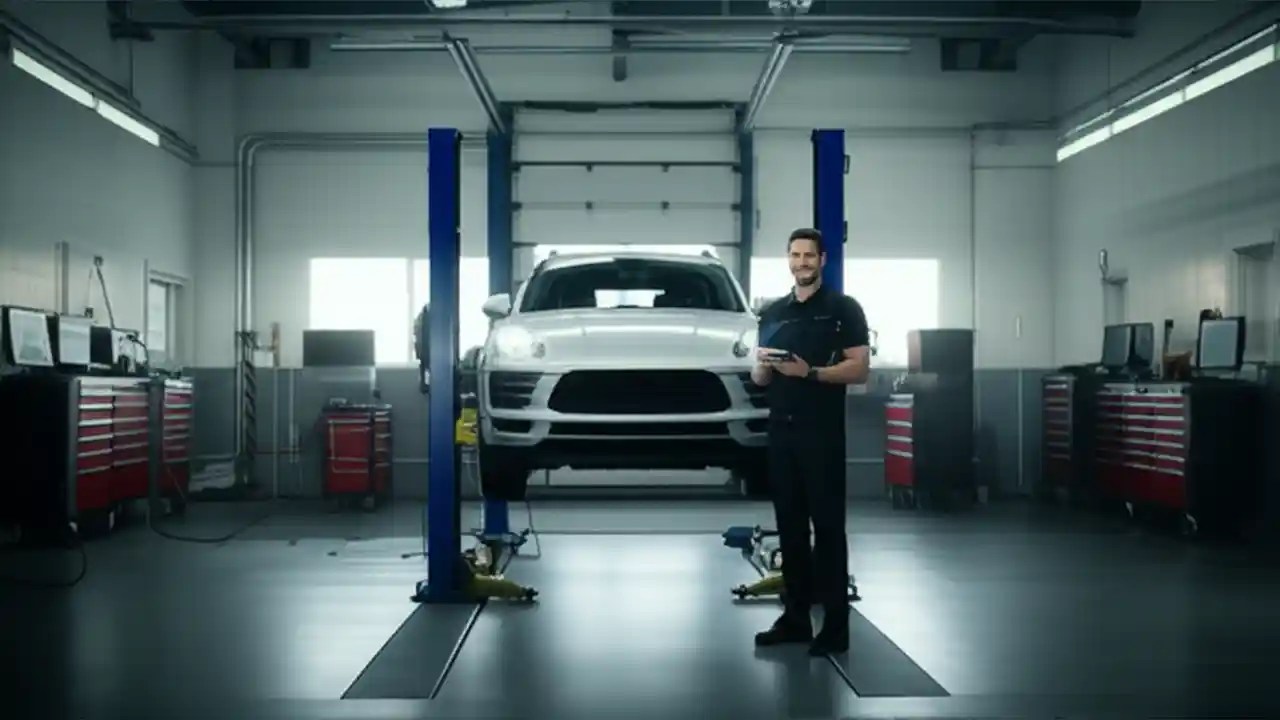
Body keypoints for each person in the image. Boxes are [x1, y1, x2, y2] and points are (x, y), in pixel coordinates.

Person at [750, 227, 870, 656]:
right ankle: (796, 619)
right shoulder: (772, 313)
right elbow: (759, 378)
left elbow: (860, 368)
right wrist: (763, 368)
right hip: (781, 432)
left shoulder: (843, 309)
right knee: (791, 529)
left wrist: (811, 373)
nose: (801, 262)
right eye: (795, 255)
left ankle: (836, 628)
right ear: (788, 259)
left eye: (809, 255)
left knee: (829, 530)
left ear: (822, 260)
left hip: (821, 433)